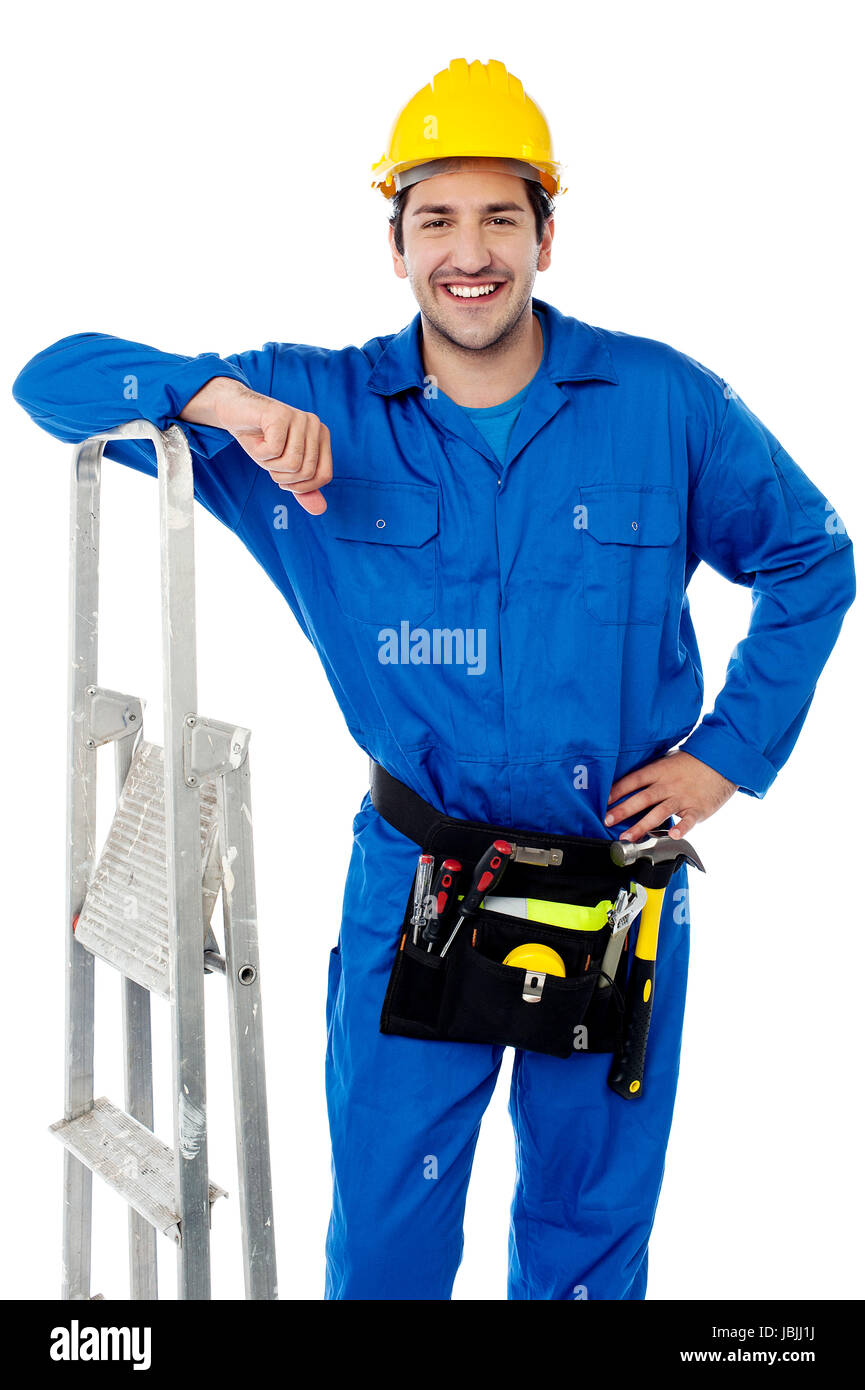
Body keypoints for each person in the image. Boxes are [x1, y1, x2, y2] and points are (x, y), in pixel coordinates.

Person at [12, 58, 855, 1301]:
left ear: (547, 236)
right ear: (395, 244)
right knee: (390, 1247)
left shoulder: (662, 404)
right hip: (417, 883)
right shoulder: (312, 407)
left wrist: (729, 753)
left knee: (586, 1239)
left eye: (500, 217)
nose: (470, 252)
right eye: (435, 219)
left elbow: (811, 556)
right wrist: (218, 396)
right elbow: (51, 380)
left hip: (612, 893)